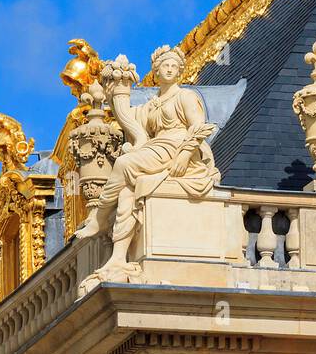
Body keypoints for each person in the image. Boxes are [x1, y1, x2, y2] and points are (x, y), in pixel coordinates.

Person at [76, 45, 218, 282]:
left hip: (176, 148)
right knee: (128, 192)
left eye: (174, 66)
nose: (170, 69)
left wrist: (184, 156)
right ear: (156, 71)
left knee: (123, 164)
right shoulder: (152, 104)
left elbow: (199, 127)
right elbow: (128, 119)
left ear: (180, 71)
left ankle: (99, 219)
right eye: (165, 66)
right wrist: (116, 89)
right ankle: (119, 257)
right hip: (157, 149)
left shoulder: (185, 96)